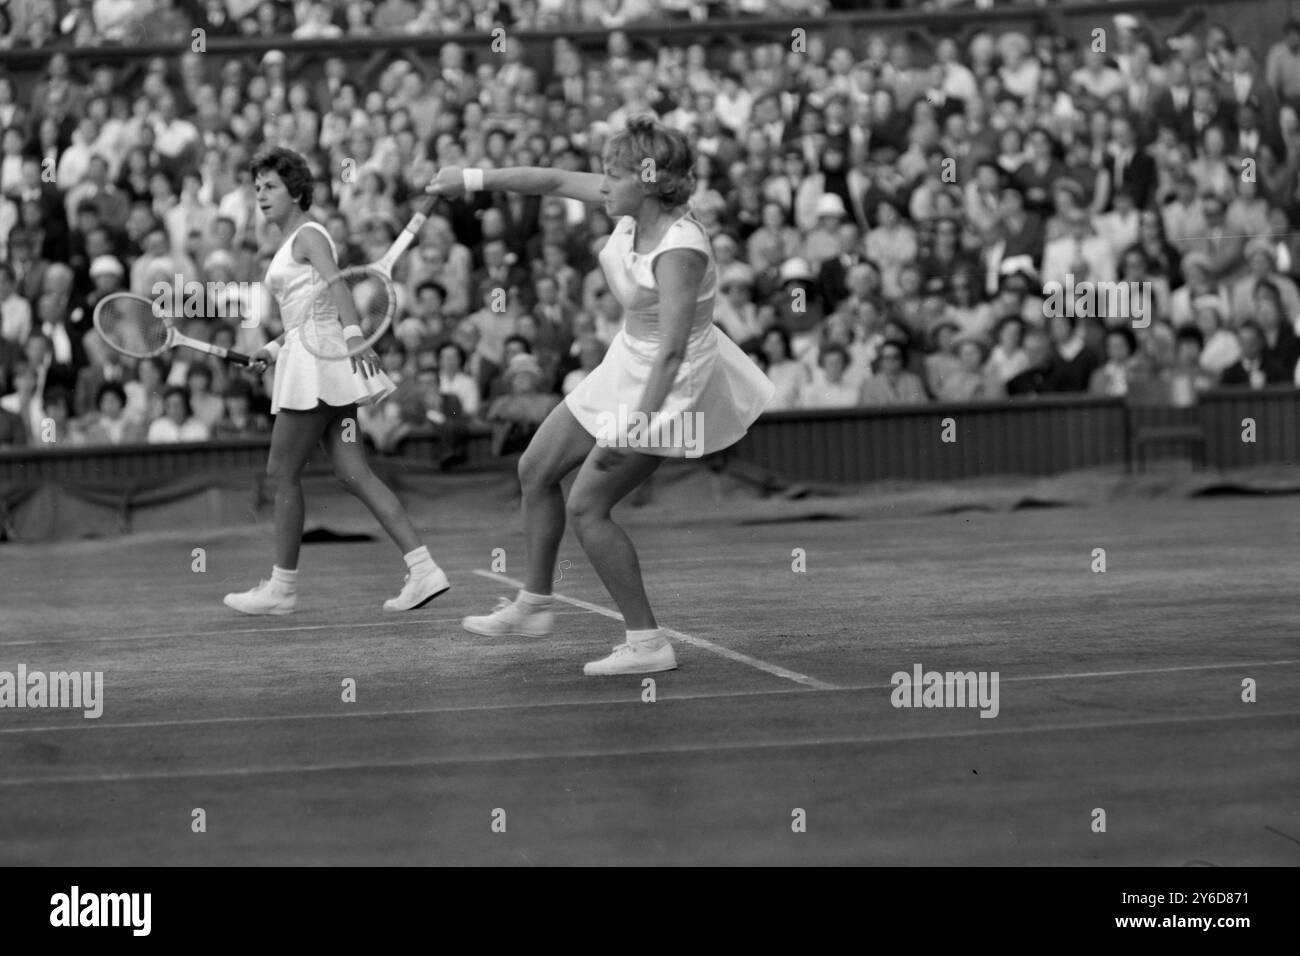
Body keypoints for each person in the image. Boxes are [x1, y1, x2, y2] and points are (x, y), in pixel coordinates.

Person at [428, 114, 774, 675]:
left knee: (588, 507)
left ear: (650, 179)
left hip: (669, 383)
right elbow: (551, 181)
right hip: (628, 358)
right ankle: (534, 604)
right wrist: (468, 178)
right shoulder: (631, 203)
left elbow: (673, 352)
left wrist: (636, 425)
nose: (602, 183)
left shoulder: (680, 250)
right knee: (535, 468)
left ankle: (647, 643)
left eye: (613, 174)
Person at [223, 147, 449, 616]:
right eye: (258, 187)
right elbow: (307, 313)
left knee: (281, 472)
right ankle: (424, 568)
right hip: (312, 355)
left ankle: (282, 588)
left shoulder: (308, 234)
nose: (261, 196)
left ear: (297, 192)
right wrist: (271, 348)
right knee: (353, 473)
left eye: (272, 187)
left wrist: (353, 338)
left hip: (320, 363)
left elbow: (337, 286)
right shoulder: (293, 241)